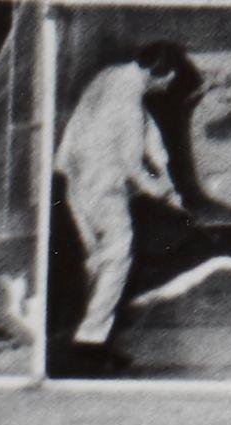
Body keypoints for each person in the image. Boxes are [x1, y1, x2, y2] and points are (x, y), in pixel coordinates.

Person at [55, 40, 191, 350]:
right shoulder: (129, 104)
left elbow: (147, 130)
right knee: (117, 255)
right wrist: (164, 194)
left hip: (74, 175)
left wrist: (164, 168)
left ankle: (90, 320)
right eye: (171, 78)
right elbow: (133, 167)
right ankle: (90, 340)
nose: (170, 85)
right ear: (162, 72)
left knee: (97, 257)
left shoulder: (113, 75)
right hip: (101, 185)